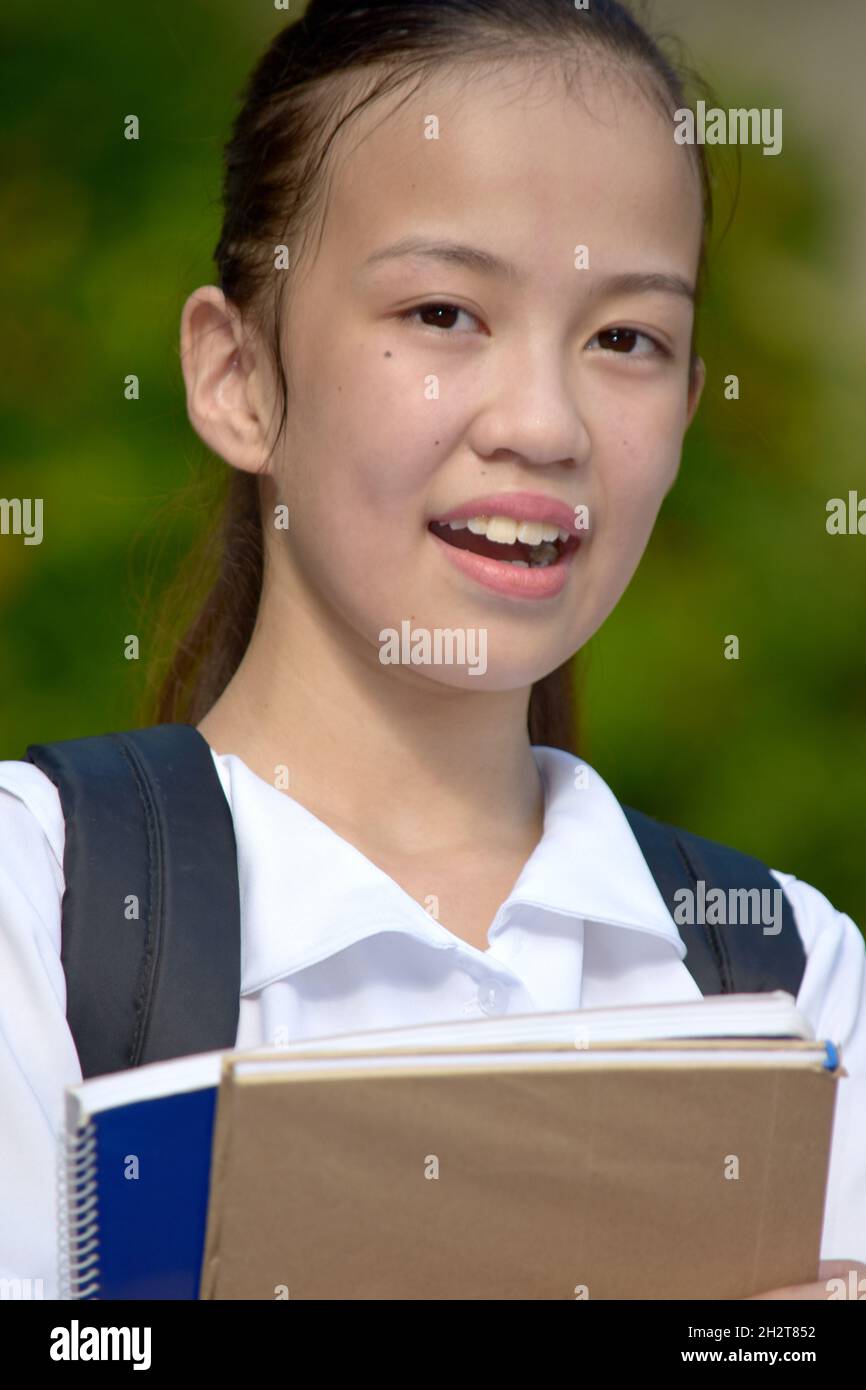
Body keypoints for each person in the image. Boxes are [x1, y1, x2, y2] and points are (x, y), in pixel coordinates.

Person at [1, 0, 864, 1301]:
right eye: (445, 311)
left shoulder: (792, 975)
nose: (542, 421)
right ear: (236, 375)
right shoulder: (41, 906)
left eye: (624, 338)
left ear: (686, 409)